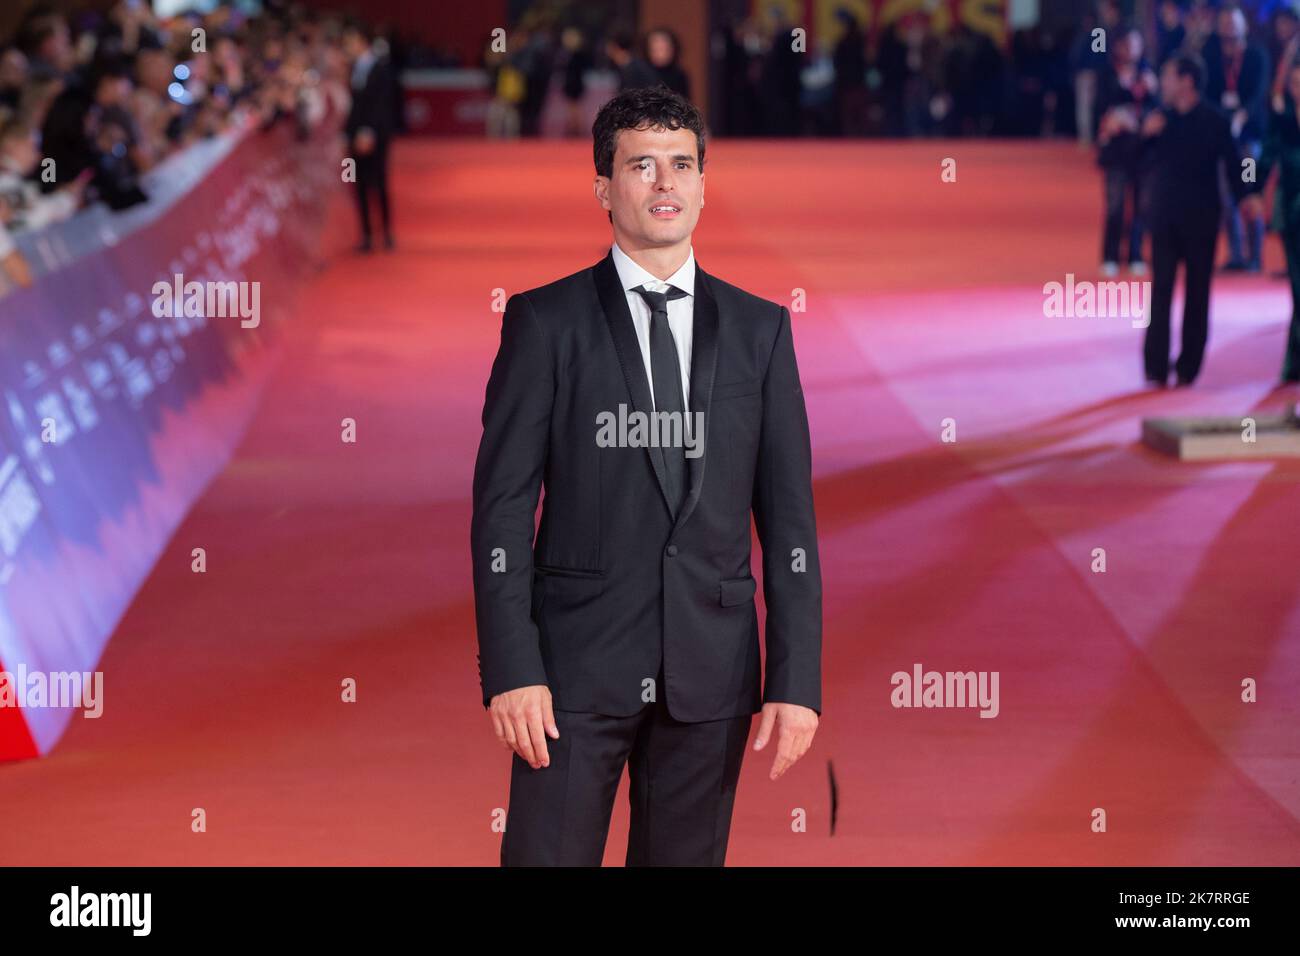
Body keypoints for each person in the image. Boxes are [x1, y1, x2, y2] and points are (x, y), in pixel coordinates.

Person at [471, 86, 822, 866]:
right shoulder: (545, 322)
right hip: (570, 679)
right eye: (641, 166)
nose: (665, 184)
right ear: (603, 187)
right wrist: (512, 668)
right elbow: (501, 511)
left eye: (682, 165)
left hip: (712, 675)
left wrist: (797, 680)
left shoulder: (760, 330)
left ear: (702, 183)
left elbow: (791, 523)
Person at [1140, 52, 1264, 387]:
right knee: (1160, 291)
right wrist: (1143, 135)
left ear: (1187, 81)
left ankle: (1188, 367)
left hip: (1202, 219)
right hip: (1164, 217)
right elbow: (1134, 162)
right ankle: (1154, 365)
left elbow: (1238, 163)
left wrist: (1249, 193)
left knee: (1198, 293)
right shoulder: (1159, 119)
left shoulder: (1216, 121)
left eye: (1167, 76)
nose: (1161, 83)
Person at [1203, 4, 1271, 271]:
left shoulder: (1256, 55)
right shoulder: (1212, 55)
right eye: (1225, 25)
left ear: (1244, 27)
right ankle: (1235, 254)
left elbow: (1259, 93)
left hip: (1249, 137)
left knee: (1249, 189)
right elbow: (1207, 92)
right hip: (1223, 138)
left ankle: (1254, 254)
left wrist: (1242, 116)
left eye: (1234, 24)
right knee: (1226, 194)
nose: (1229, 30)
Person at [1095, 25, 1157, 275]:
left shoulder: (1150, 74)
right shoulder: (1107, 74)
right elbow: (1098, 108)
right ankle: (1110, 255)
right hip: (1117, 150)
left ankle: (1135, 254)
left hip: (1145, 150)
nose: (1130, 49)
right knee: (1115, 205)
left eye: (1134, 43)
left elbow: (1161, 109)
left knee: (1143, 206)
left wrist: (1154, 91)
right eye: (1125, 44)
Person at [1255, 46, 1300, 382]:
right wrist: (1251, 191)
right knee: (1298, 287)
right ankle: (1294, 358)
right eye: (1294, 85)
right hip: (1290, 210)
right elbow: (1265, 159)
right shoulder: (1281, 121)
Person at [342, 22, 395, 252]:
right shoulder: (353, 69)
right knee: (359, 184)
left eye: (350, 42)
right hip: (354, 135)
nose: (347, 47)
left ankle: (387, 232)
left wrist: (368, 132)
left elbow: (382, 104)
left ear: (361, 42)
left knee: (380, 182)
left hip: (376, 135)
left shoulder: (381, 68)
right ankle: (366, 235)